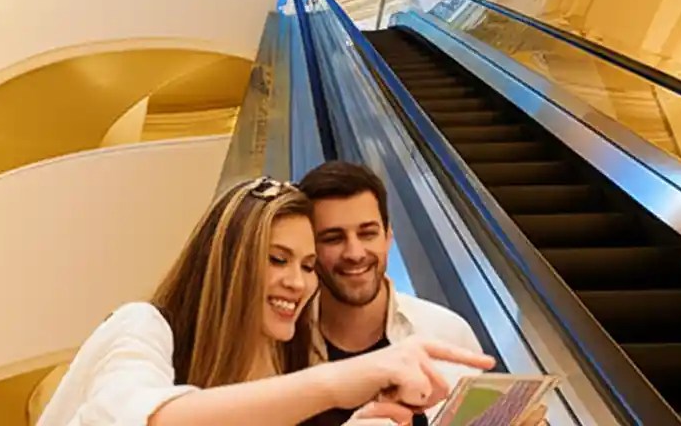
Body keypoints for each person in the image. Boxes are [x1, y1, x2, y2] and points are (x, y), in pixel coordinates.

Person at [37, 177, 496, 426]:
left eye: (307, 265)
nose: (297, 282)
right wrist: (339, 381)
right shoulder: (143, 329)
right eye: (278, 259)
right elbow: (142, 417)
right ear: (229, 260)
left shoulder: (279, 360)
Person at [299, 161, 544, 426]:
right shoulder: (280, 346)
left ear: (388, 236)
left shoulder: (446, 331)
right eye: (333, 238)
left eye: (368, 233)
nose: (355, 253)